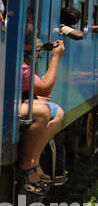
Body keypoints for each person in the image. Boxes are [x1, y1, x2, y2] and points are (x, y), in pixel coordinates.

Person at [18, 20, 64, 195]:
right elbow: (45, 87)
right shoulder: (20, 66)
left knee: (56, 111)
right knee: (42, 111)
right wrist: (56, 57)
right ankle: (27, 166)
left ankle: (34, 161)